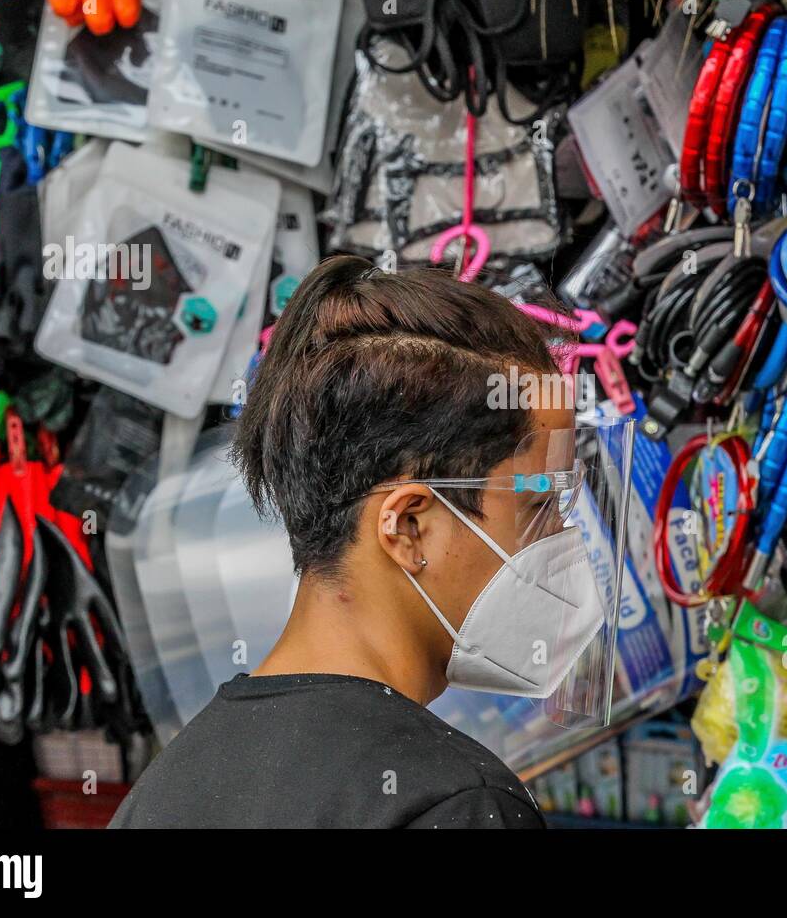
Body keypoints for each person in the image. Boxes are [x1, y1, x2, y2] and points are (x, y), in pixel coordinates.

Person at [111, 255, 589, 828]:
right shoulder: (454, 804)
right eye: (537, 506)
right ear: (410, 525)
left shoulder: (161, 796)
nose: (561, 540)